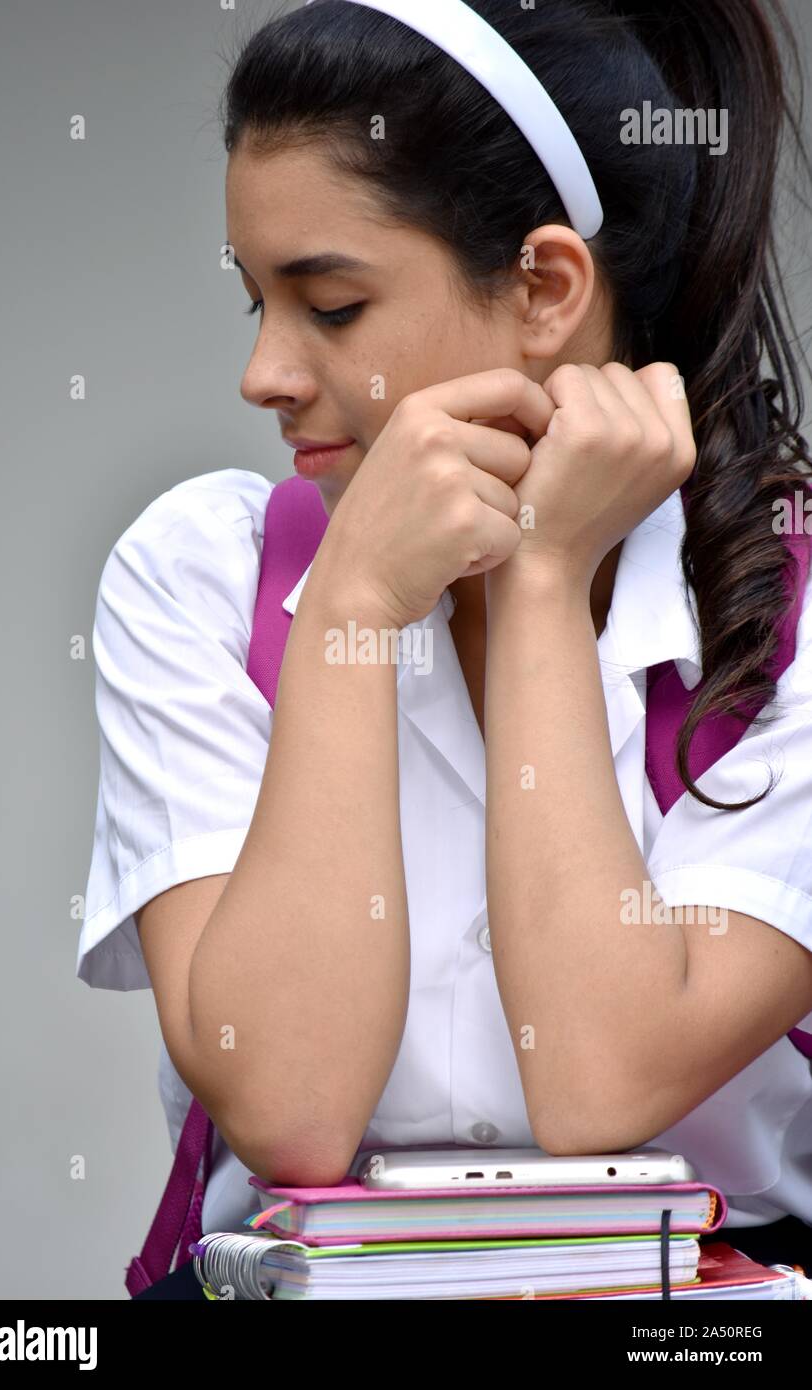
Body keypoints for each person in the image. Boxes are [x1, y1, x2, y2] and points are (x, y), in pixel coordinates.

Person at [79, 0, 812, 1298]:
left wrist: (542, 577)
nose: (263, 371)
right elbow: (290, 1112)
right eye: (256, 301)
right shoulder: (198, 574)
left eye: (332, 305)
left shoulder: (791, 600)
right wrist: (353, 607)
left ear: (543, 287)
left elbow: (599, 1073)